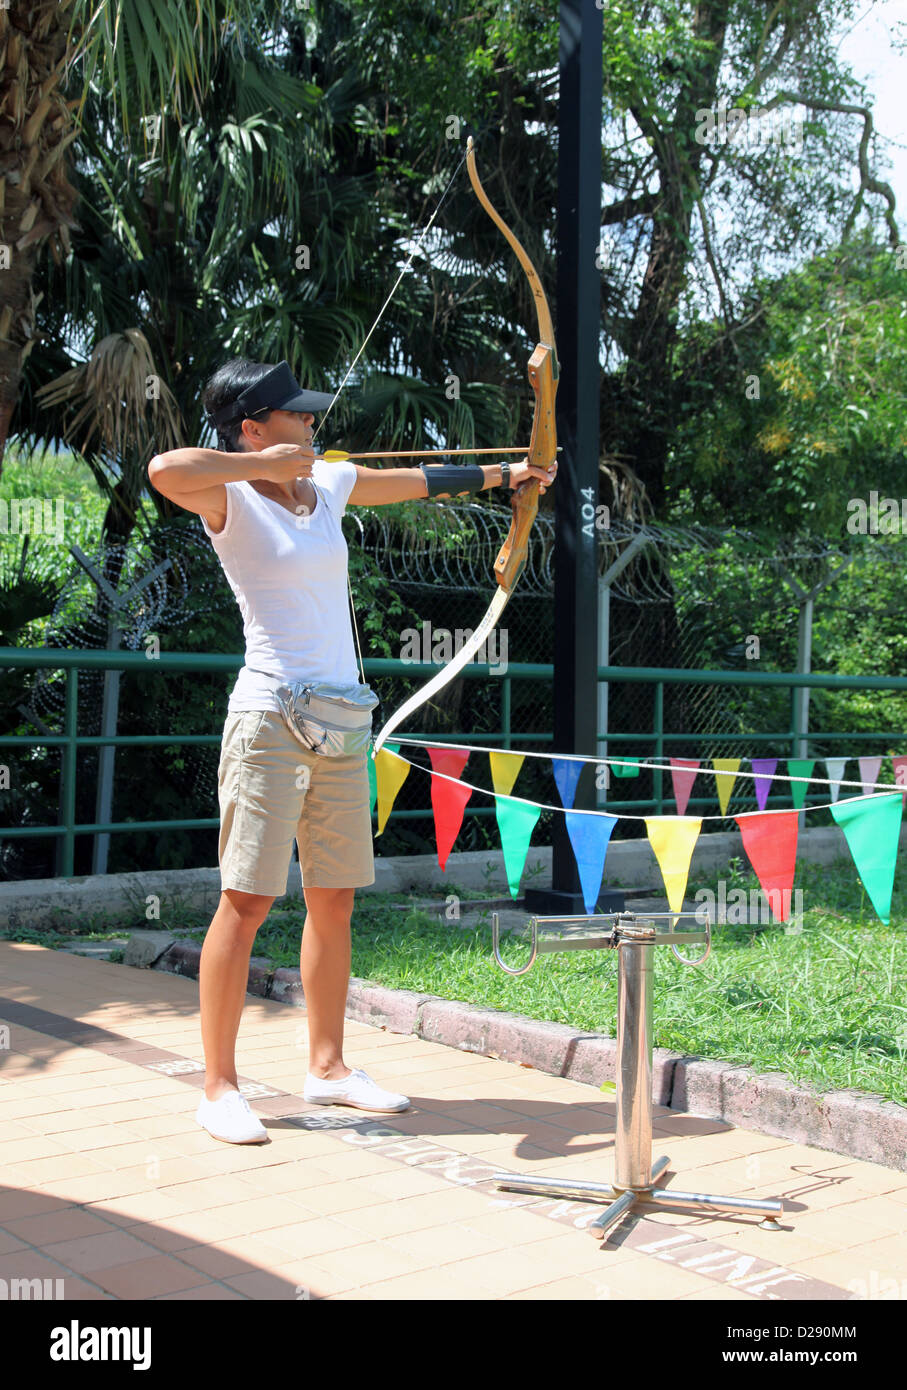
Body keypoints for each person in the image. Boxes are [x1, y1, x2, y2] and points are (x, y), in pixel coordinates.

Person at [147, 357, 557, 1143]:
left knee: (333, 894)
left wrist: (510, 473)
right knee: (249, 898)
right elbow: (166, 468)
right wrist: (257, 466)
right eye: (294, 416)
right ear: (252, 425)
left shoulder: (328, 484)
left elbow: (414, 481)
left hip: (340, 719)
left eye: (309, 415)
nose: (311, 425)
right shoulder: (225, 494)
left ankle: (327, 1068)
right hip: (269, 717)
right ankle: (218, 1087)